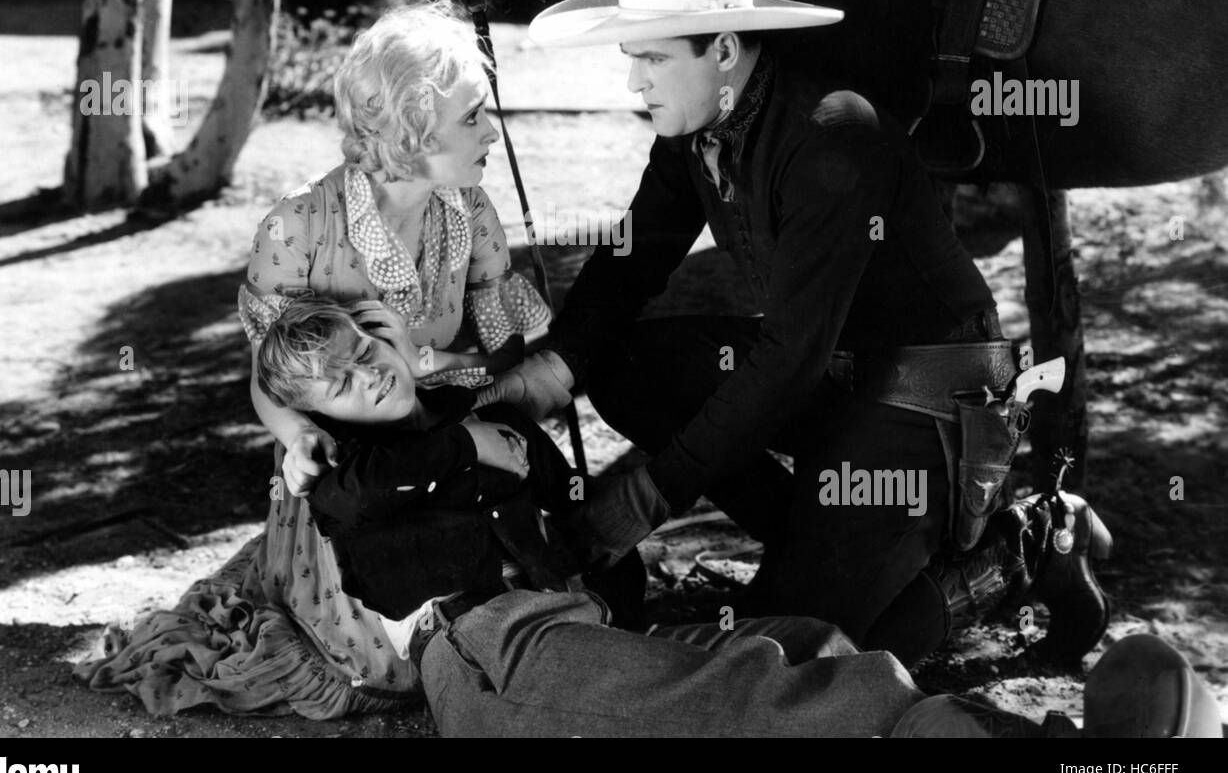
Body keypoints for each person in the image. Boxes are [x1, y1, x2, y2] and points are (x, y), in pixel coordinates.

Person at [477, 0, 1111, 667]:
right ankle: (827, 535)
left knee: (807, 653)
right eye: (631, 58)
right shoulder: (697, 124)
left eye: (651, 58)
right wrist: (556, 363)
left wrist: (642, 496)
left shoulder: (831, 135)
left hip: (931, 392)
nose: (634, 84)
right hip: (832, 378)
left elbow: (787, 360)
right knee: (625, 364)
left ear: (721, 48)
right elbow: (634, 253)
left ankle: (1025, 545)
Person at [255, 293, 1221, 739]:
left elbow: (490, 373)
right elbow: (368, 507)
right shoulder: (342, 479)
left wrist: (424, 374)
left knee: (800, 642)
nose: (361, 372)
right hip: (490, 661)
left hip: (578, 629)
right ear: (314, 417)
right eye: (334, 381)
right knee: (745, 704)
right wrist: (453, 448)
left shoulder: (457, 399)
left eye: (359, 346)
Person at [78, 0, 552, 717]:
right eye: (472, 116)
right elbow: (272, 380)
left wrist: (446, 369)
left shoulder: (471, 209)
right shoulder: (299, 225)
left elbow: (500, 345)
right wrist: (298, 437)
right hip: (350, 471)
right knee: (391, 659)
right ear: (410, 133)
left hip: (448, 430)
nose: (493, 129)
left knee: (533, 593)